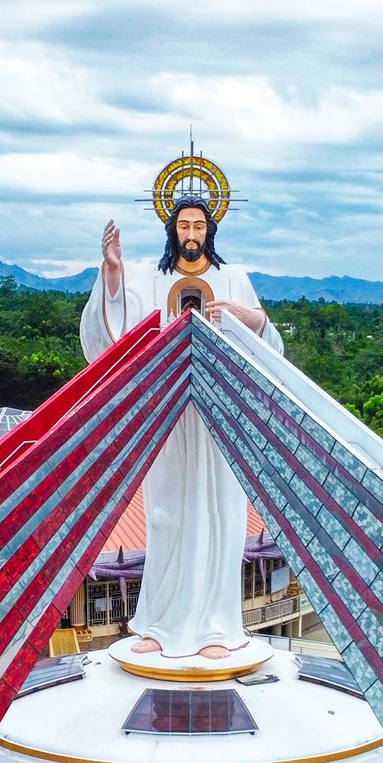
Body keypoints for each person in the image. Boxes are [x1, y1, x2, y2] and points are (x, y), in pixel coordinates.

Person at [79, 155, 284, 663]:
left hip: (218, 415)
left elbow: (268, 341)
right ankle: (159, 622)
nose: (191, 233)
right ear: (171, 229)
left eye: (199, 225)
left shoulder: (233, 277)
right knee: (167, 515)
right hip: (170, 412)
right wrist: (112, 273)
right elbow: (117, 333)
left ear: (211, 229)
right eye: (183, 225)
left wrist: (247, 317)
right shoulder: (150, 278)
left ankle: (216, 627)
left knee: (220, 516)